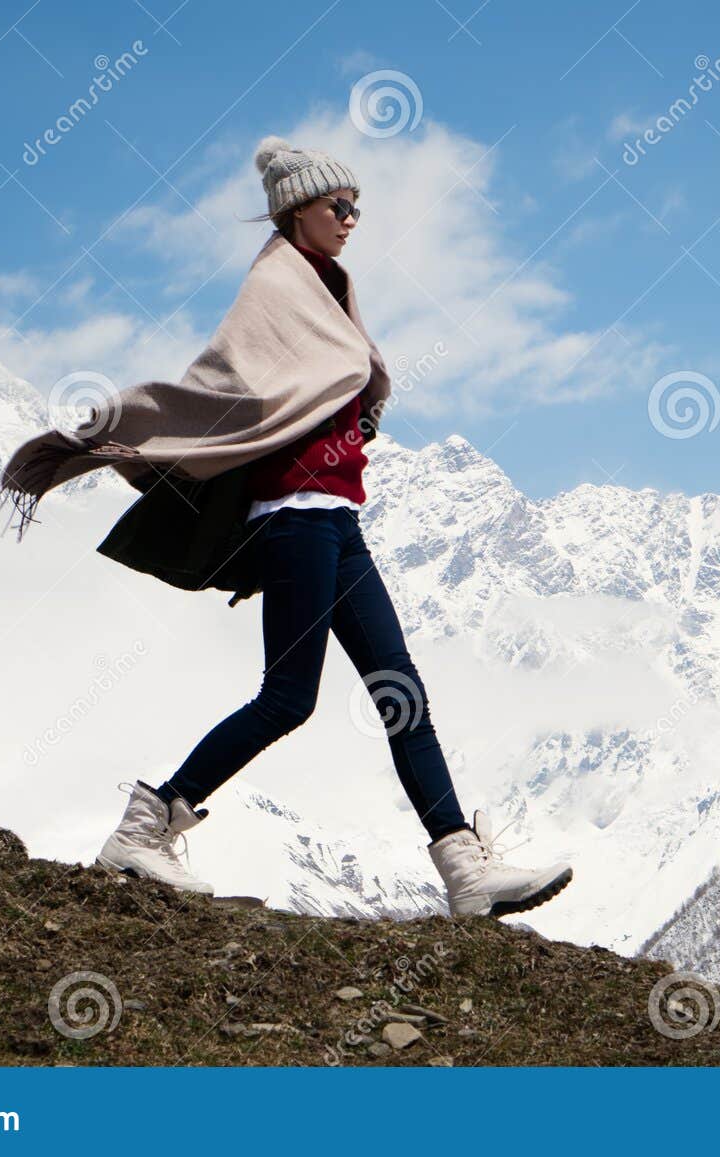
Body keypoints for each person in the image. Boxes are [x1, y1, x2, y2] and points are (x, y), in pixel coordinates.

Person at [81, 137, 572, 918]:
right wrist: (140, 429)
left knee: (400, 693)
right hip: (293, 520)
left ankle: (466, 875)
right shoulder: (275, 285)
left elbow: (335, 388)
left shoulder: (325, 285)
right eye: (338, 207)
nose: (351, 220)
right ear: (296, 210)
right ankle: (146, 825)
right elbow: (226, 386)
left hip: (337, 518)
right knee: (288, 698)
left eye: (356, 209)